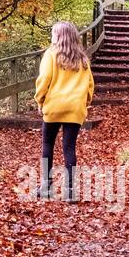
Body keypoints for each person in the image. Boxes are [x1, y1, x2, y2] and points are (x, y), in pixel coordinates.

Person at [34, 20, 94, 202]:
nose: (51, 36)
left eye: (53, 33)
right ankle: (70, 191)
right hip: (74, 109)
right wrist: (85, 102)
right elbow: (90, 85)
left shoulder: (51, 55)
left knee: (47, 144)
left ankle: (46, 185)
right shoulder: (83, 59)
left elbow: (44, 78)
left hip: (54, 106)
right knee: (69, 148)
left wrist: (39, 99)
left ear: (59, 36)